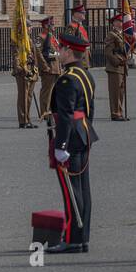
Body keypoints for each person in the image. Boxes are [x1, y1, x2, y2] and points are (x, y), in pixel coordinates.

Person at [46, 28, 98, 255]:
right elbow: (90, 109)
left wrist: (61, 145)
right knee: (83, 188)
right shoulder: (85, 74)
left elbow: (66, 115)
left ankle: (72, 238)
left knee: (71, 191)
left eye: (62, 48)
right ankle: (82, 236)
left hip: (71, 137)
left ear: (69, 51)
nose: (59, 51)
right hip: (84, 132)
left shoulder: (68, 79)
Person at [14, 20, 40, 129]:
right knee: (23, 97)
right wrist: (22, 68)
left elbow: (35, 54)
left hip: (31, 71)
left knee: (28, 97)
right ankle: (22, 120)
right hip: (22, 71)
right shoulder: (19, 41)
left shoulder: (29, 40)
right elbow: (16, 57)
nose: (30, 29)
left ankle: (27, 119)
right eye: (29, 27)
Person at [104, 18, 130, 121]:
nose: (121, 23)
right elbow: (108, 52)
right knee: (115, 92)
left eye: (121, 21)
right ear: (114, 23)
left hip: (122, 67)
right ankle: (115, 113)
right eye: (118, 21)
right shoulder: (111, 35)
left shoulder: (122, 35)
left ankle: (119, 112)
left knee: (121, 92)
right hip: (115, 67)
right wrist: (118, 61)